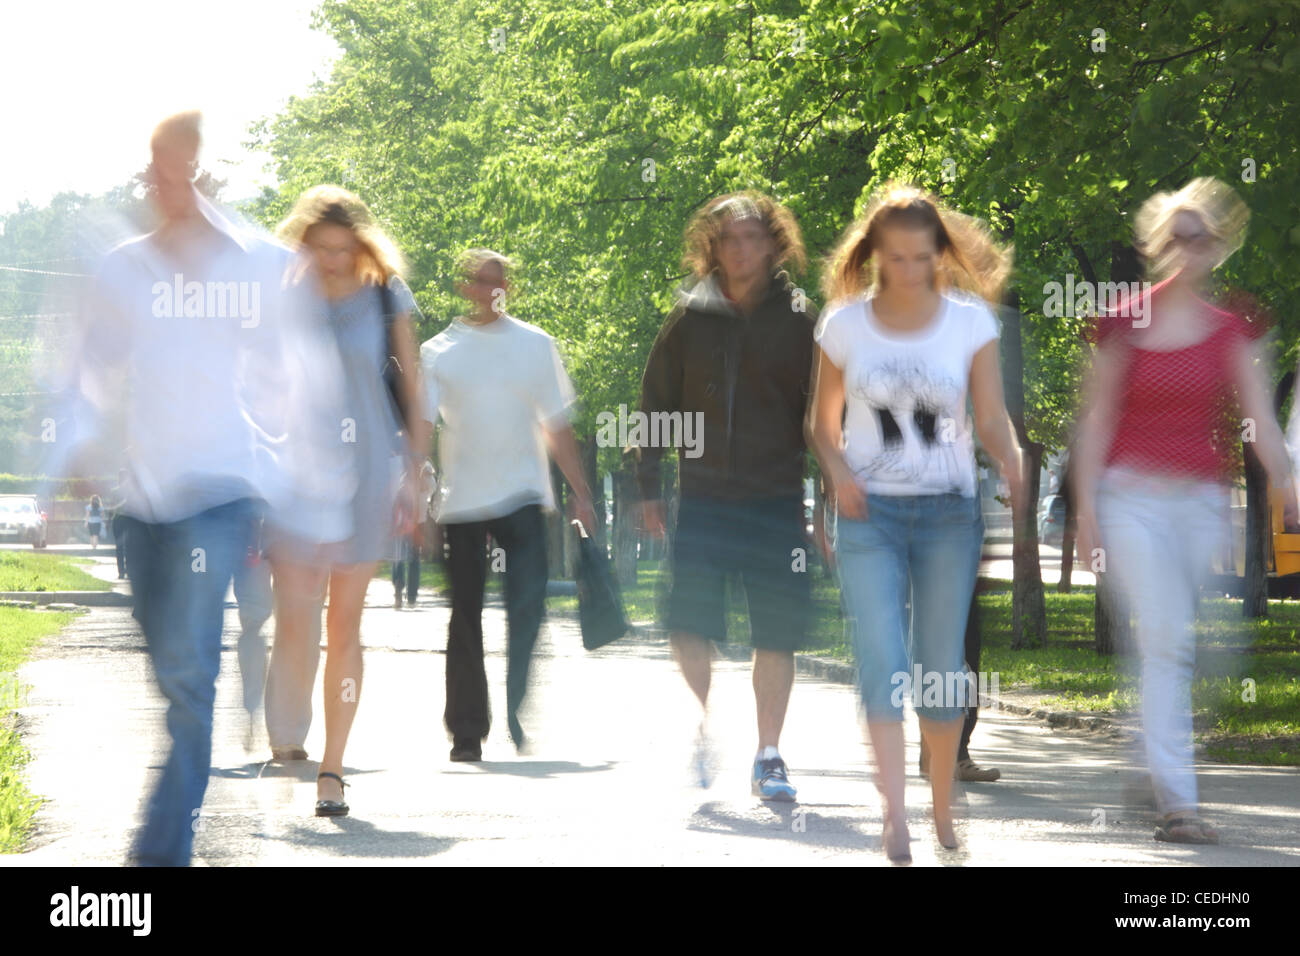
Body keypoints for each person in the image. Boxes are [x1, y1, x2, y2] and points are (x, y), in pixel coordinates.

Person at [68, 111, 348, 865]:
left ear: (206, 174)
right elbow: (87, 366)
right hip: (142, 501)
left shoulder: (256, 263)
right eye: (157, 171)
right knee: (173, 675)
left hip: (223, 491)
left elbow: (300, 372)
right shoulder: (123, 268)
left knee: (192, 682)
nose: (169, 186)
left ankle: (157, 860)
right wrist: (77, 449)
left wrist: (304, 480)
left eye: (183, 171)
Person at [1073, 177, 1297, 845]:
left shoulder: (1231, 328)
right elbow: (1096, 419)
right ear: (1157, 246)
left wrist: (1288, 484)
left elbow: (1260, 421)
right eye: (1175, 234)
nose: (1187, 246)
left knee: (1200, 649)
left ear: (1216, 248)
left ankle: (1151, 754)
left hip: (1200, 502)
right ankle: (1180, 804)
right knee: (1168, 637)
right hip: (1130, 497)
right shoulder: (1125, 320)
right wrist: (1085, 509)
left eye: (1200, 236)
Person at [807, 182, 1024, 861]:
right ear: (873, 255)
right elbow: (821, 422)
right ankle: (894, 816)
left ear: (939, 256)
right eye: (894, 258)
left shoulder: (970, 323)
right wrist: (838, 470)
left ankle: (941, 811)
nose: (908, 270)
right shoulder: (843, 326)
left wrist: (1014, 463)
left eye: (920, 257)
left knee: (939, 673)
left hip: (947, 517)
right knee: (881, 661)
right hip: (870, 514)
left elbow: (989, 416)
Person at [636, 192, 816, 801]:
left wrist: (830, 488)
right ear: (712, 251)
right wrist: (646, 487)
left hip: (773, 499)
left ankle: (768, 753)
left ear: (773, 244)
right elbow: (655, 403)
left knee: (777, 630)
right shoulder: (691, 316)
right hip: (704, 498)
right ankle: (704, 723)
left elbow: (822, 410)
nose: (740, 251)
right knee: (688, 624)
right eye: (728, 241)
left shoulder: (800, 317)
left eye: (751, 239)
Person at [264, 185, 428, 816]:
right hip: (295, 475)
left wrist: (415, 472)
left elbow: (414, 388)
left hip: (367, 471)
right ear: (303, 243)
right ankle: (290, 725)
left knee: (346, 622)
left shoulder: (386, 293)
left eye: (343, 249)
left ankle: (332, 770)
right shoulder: (280, 295)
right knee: (299, 614)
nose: (332, 260)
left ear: (361, 244)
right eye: (320, 248)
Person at [420, 248, 596, 761]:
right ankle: (468, 730)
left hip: (523, 494)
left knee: (527, 606)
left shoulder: (536, 346)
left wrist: (582, 492)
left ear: (508, 288)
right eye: (478, 280)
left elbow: (557, 426)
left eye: (498, 281)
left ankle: (515, 703)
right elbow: (423, 427)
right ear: (464, 288)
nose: (488, 289)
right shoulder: (439, 351)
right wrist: (415, 491)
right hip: (464, 501)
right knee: (466, 615)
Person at [108, 469, 129, 578]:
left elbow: (111, 508)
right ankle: (129, 571)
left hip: (117, 520)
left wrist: (108, 522)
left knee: (119, 546)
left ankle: (121, 572)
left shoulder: (114, 491)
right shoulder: (131, 491)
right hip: (129, 520)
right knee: (130, 546)